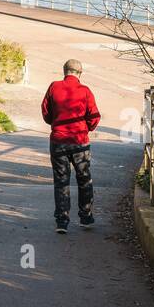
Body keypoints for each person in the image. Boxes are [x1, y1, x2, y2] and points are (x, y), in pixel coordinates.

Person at [41, 58, 101, 234]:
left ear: (64, 71)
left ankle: (62, 221)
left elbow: (45, 111)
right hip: (79, 141)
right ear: (79, 73)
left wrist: (56, 123)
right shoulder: (85, 91)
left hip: (58, 140)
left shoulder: (54, 87)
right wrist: (85, 129)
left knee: (61, 181)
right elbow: (95, 116)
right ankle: (86, 216)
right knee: (84, 179)